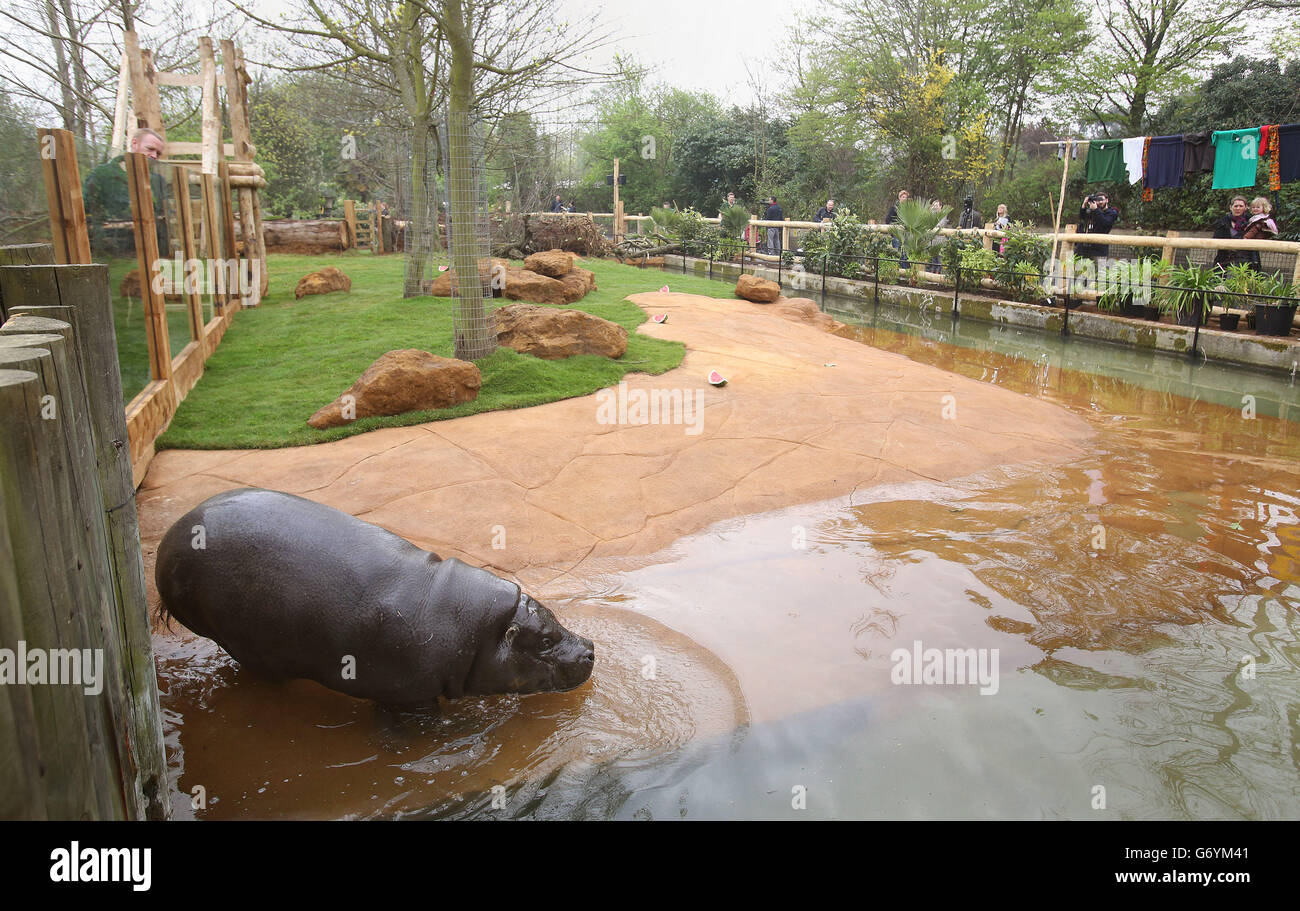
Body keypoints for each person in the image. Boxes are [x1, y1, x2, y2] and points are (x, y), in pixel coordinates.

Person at [82, 127, 169, 256]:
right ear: (135, 143)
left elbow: (164, 217)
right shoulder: (102, 175)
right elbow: (84, 210)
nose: (154, 156)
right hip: (111, 250)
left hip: (151, 251)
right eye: (150, 149)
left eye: (158, 153)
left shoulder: (157, 181)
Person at [1076, 192, 1118, 262]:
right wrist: (1084, 204)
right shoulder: (1093, 211)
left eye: (1102, 199)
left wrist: (1096, 210)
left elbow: (1105, 223)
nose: (1100, 202)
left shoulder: (1111, 213)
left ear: (1107, 200)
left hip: (1100, 249)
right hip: (1086, 247)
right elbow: (1082, 217)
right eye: (1098, 200)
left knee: (1100, 271)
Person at [1212, 196, 1252, 269]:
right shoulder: (1222, 222)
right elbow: (1216, 239)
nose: (1238, 208)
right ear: (1231, 207)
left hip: (1246, 260)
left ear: (1246, 207)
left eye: (1241, 206)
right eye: (1236, 206)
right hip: (1224, 259)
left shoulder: (1251, 222)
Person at [1241, 196, 1279, 272]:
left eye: (1258, 207)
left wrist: (1245, 238)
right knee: (1253, 255)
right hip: (1253, 242)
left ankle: (1255, 268)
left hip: (1255, 241)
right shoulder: (1255, 218)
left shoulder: (1261, 220)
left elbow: (1254, 230)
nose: (1255, 209)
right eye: (1253, 207)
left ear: (1264, 208)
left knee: (1254, 257)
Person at [928, 199, 949, 273]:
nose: (935, 207)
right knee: (933, 258)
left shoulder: (943, 214)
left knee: (940, 258)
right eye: (933, 205)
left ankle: (939, 274)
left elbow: (940, 225)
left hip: (940, 239)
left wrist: (933, 226)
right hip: (933, 239)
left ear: (940, 206)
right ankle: (932, 273)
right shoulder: (932, 215)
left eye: (936, 205)